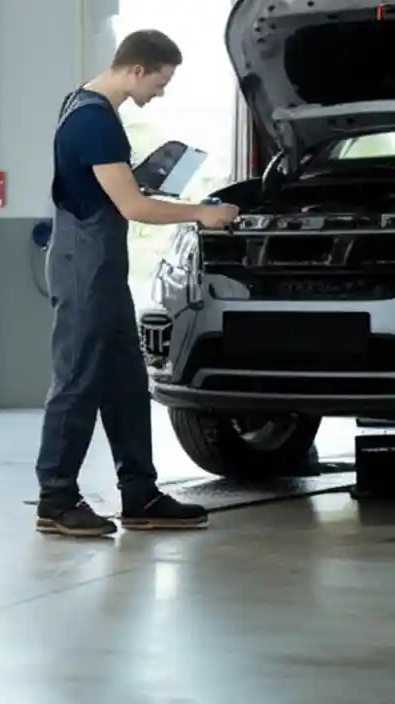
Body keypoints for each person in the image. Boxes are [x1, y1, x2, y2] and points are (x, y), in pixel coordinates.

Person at [35, 29, 240, 538]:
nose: (161, 93)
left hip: (98, 264)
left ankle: (140, 494)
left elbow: (106, 187)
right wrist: (201, 214)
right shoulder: (95, 122)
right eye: (162, 81)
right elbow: (134, 208)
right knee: (78, 379)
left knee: (126, 379)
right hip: (85, 267)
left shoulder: (80, 102)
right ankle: (56, 499)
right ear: (138, 70)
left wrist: (134, 179)